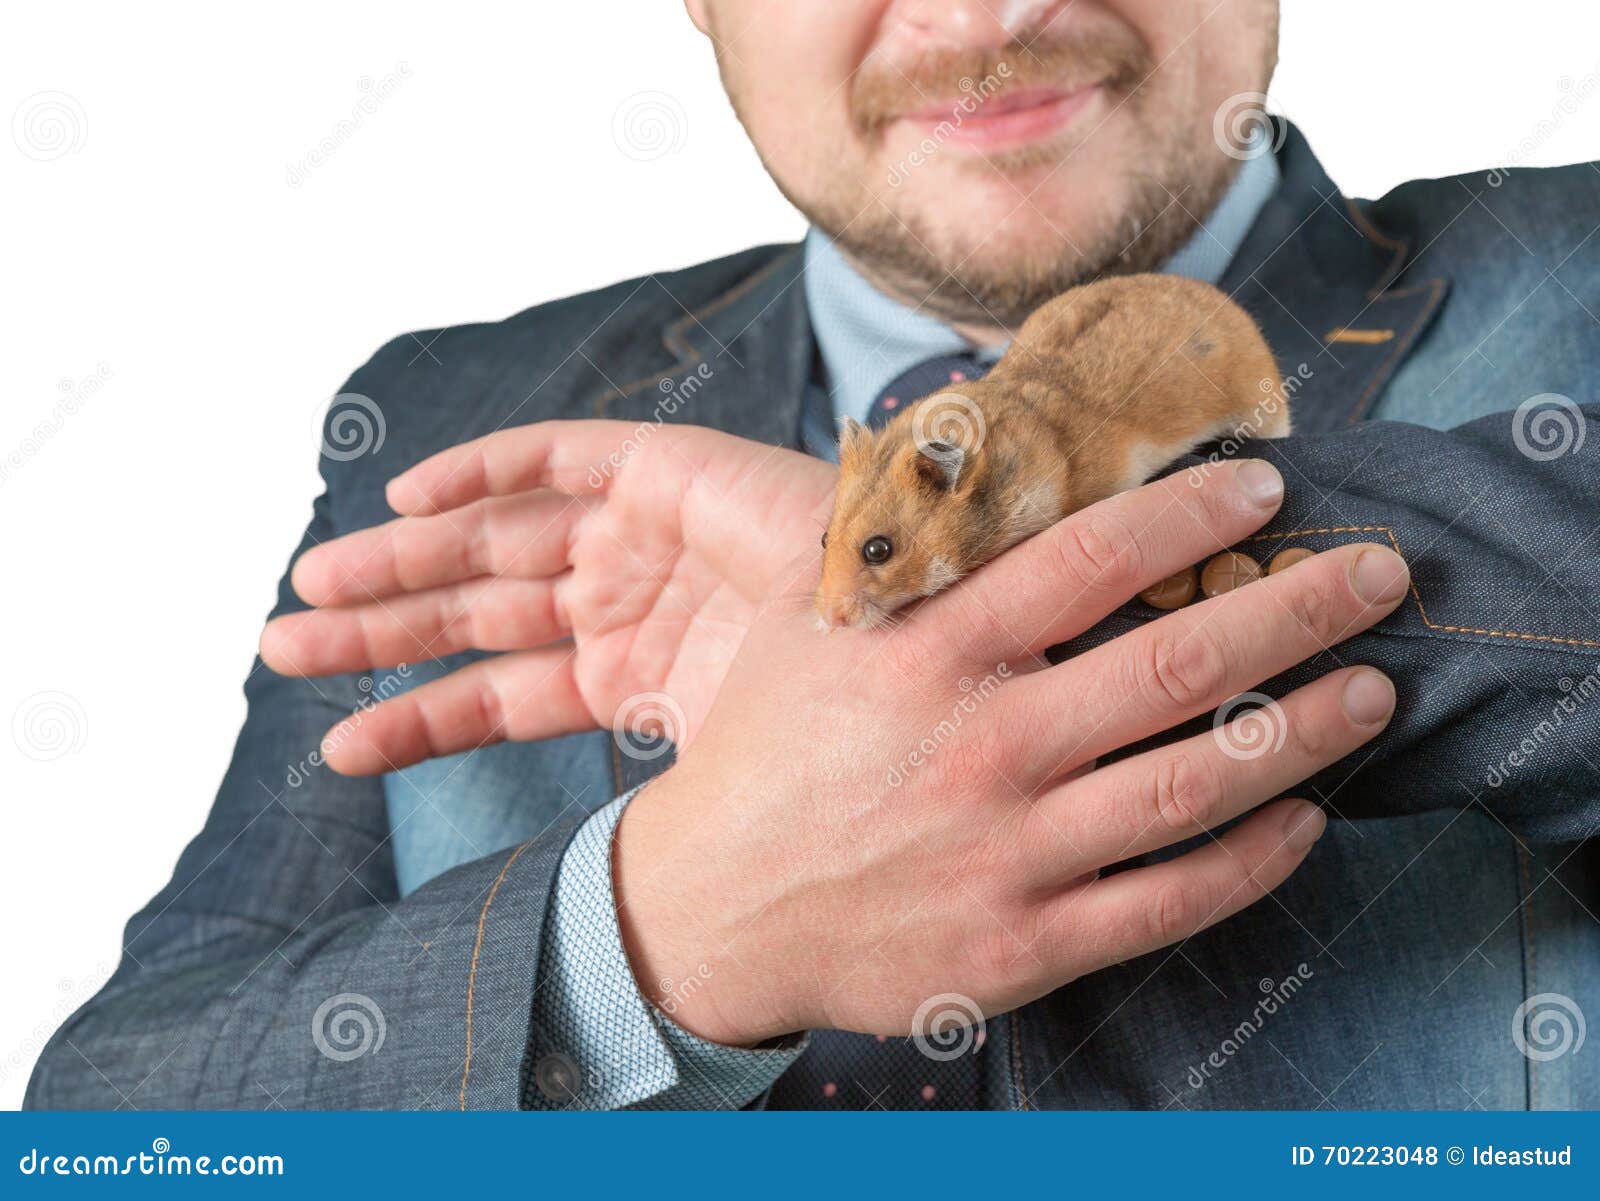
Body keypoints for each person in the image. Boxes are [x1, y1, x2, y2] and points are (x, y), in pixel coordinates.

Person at [28, 0, 1599, 1111]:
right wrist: (653, 932)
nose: (992, 8)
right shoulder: (447, 418)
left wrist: (1074, 599)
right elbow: (114, 1126)